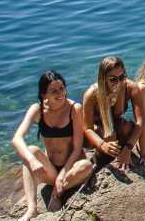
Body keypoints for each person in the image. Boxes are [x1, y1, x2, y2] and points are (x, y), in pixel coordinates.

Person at [11, 71, 92, 220]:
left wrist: (62, 176)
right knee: (31, 150)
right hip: (51, 169)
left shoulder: (74, 108)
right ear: (44, 94)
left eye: (62, 88)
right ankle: (32, 209)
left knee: (86, 166)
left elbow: (77, 148)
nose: (60, 93)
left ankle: (57, 193)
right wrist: (32, 160)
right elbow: (17, 138)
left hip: (71, 168)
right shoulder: (38, 109)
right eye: (53, 91)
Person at [82, 55, 145, 172]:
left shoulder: (131, 88)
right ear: (103, 79)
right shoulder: (91, 94)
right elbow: (87, 128)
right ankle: (101, 157)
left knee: (128, 127)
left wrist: (128, 148)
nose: (118, 82)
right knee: (106, 135)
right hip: (98, 132)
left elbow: (141, 121)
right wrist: (102, 145)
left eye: (122, 77)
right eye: (113, 79)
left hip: (116, 127)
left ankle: (116, 151)